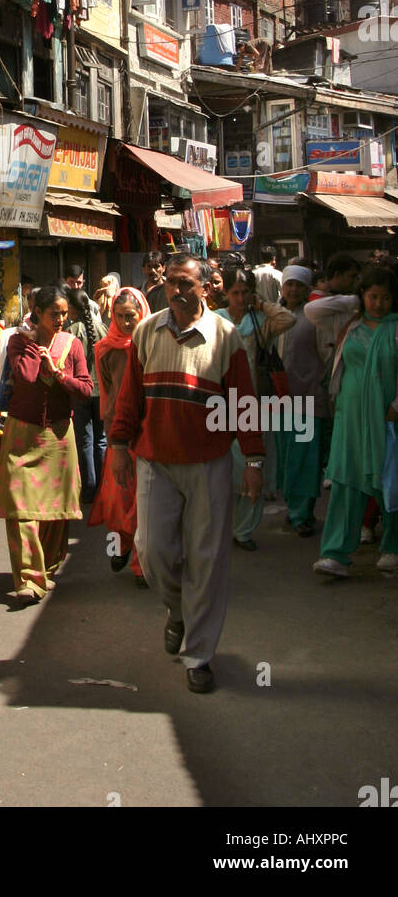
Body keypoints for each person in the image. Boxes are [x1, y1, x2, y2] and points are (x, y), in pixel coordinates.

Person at [108, 255, 262, 694]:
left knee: (208, 562)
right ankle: (177, 612)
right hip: (154, 459)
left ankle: (199, 655)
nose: (178, 290)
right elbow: (129, 399)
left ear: (204, 288)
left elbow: (244, 402)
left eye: (187, 284)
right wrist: (119, 445)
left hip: (210, 463)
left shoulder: (225, 336)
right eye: (172, 283)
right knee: (153, 552)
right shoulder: (146, 331)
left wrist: (253, 460)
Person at [0, 285, 92, 604]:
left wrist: (60, 375)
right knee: (19, 506)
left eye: (64, 313)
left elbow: (86, 389)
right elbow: (27, 376)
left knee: (55, 512)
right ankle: (29, 578)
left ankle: (46, 567)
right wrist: (36, 345)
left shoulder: (72, 344)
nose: (61, 319)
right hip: (22, 434)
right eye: (54, 314)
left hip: (59, 436)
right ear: (38, 314)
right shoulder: (19, 342)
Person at [306, 264, 398, 577]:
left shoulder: (396, 327)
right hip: (350, 417)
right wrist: (351, 301)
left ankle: (392, 548)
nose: (378, 303)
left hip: (387, 419)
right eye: (372, 296)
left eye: (385, 297)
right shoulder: (350, 324)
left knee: (390, 482)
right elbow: (312, 310)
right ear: (363, 296)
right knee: (346, 482)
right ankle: (335, 554)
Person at [216, 265, 295, 550]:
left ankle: (244, 530)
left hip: (257, 399)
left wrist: (261, 303)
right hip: (222, 401)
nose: (240, 297)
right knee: (226, 467)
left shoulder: (261, 319)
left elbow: (288, 319)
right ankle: (225, 526)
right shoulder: (216, 320)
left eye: (245, 292)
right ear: (225, 293)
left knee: (256, 461)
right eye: (235, 292)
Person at [89, 288, 151, 583]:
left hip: (147, 430)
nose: (127, 322)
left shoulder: (152, 344)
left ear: (142, 314)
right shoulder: (104, 349)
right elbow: (106, 391)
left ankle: (141, 566)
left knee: (143, 503)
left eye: (132, 316)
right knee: (116, 503)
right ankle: (118, 548)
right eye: (121, 317)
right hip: (117, 432)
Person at [273, 265, 329, 537]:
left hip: (308, 399)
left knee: (306, 459)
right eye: (289, 284)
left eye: (299, 285)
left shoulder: (314, 317)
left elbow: (326, 358)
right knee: (286, 457)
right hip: (280, 402)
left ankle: (302, 514)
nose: (293, 289)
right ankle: (293, 510)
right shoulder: (272, 314)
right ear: (282, 287)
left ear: (307, 289)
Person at [65, 287, 107, 504]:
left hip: (82, 392)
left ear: (72, 308)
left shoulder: (70, 331)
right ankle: (102, 488)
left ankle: (89, 489)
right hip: (102, 392)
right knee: (101, 440)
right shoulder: (102, 327)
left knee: (85, 440)